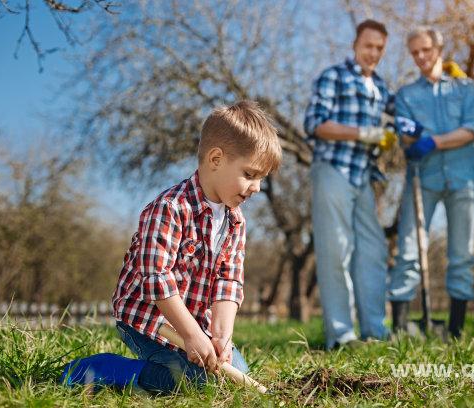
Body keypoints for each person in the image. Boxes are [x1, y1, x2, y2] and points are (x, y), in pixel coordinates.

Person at [60, 101, 282, 393]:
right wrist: (190, 335)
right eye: (250, 175)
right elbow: (157, 280)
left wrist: (220, 335)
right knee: (192, 382)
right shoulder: (169, 209)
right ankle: (102, 369)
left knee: (234, 375)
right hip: (149, 319)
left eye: (261, 180)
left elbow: (228, 281)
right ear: (215, 159)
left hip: (193, 323)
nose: (256, 188)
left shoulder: (235, 221)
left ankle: (190, 359)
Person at [303, 19, 394, 350]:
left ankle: (375, 330)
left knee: (373, 250)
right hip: (334, 170)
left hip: (364, 176)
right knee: (336, 251)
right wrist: (362, 134)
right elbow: (314, 123)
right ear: (355, 45)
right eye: (368, 46)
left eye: (380, 48)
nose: (373, 53)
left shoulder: (382, 88)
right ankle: (341, 336)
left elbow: (403, 119)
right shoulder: (334, 76)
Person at [389, 26, 474, 339]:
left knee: (461, 254)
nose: (420, 57)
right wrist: (409, 136)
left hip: (462, 179)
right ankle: (401, 328)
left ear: (439, 48)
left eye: (425, 50)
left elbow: (471, 130)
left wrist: (434, 141)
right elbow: (404, 137)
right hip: (421, 179)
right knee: (408, 250)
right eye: (414, 52)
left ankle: (455, 329)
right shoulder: (406, 95)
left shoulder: (464, 88)